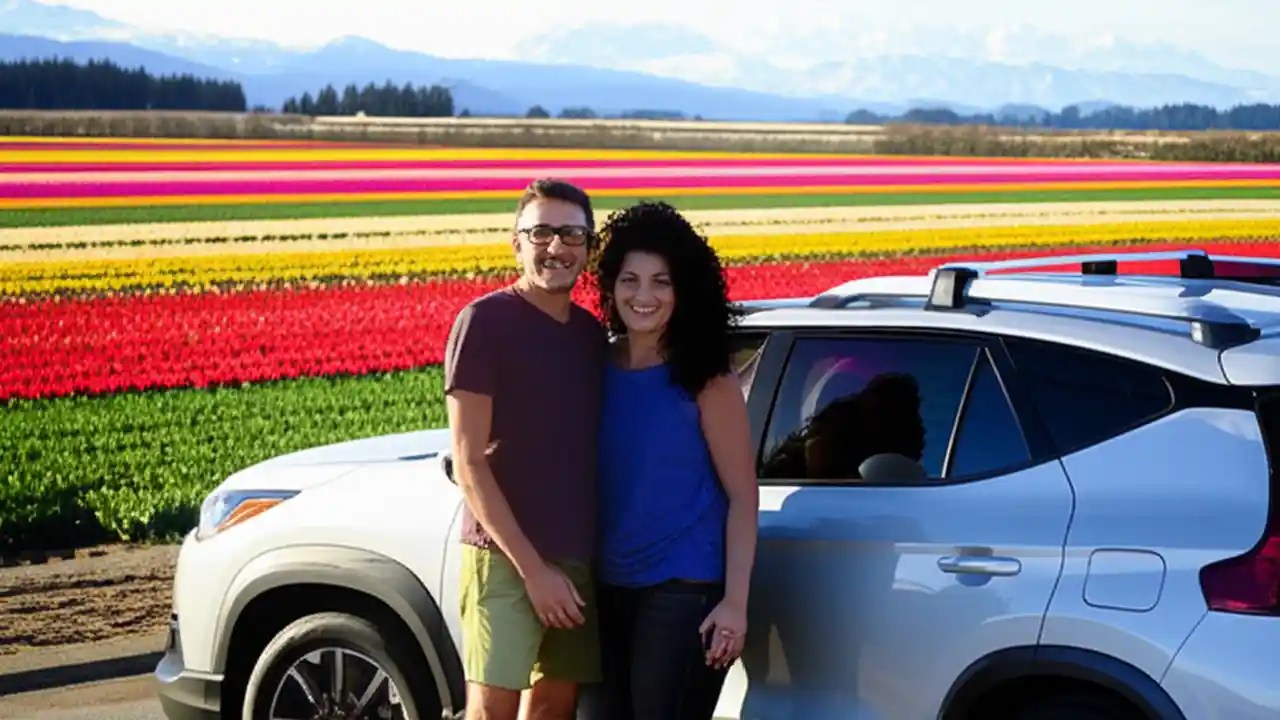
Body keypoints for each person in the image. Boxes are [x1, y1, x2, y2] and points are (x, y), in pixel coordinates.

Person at [588, 201, 760, 720]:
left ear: (683, 290)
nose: (644, 296)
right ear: (610, 287)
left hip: (684, 591)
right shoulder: (596, 366)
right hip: (606, 584)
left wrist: (734, 604)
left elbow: (743, 497)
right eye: (630, 280)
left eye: (661, 282)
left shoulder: (708, 379)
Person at [443, 178, 607, 720]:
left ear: (588, 247)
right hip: (504, 554)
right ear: (516, 242)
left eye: (570, 234)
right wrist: (534, 570)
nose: (556, 247)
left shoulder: (589, 335)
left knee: (555, 706)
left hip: (576, 553)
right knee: (493, 709)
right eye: (540, 232)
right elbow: (468, 462)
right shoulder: (484, 323)